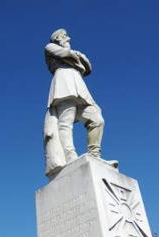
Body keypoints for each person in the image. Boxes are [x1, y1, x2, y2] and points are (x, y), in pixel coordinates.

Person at [44, 28, 117, 178]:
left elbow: (88, 68)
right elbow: (64, 54)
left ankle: (94, 155)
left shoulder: (72, 58)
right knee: (66, 122)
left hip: (79, 87)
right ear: (57, 38)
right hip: (63, 84)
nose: (68, 39)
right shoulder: (50, 47)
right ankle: (70, 156)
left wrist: (76, 57)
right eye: (65, 37)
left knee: (96, 118)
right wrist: (77, 56)